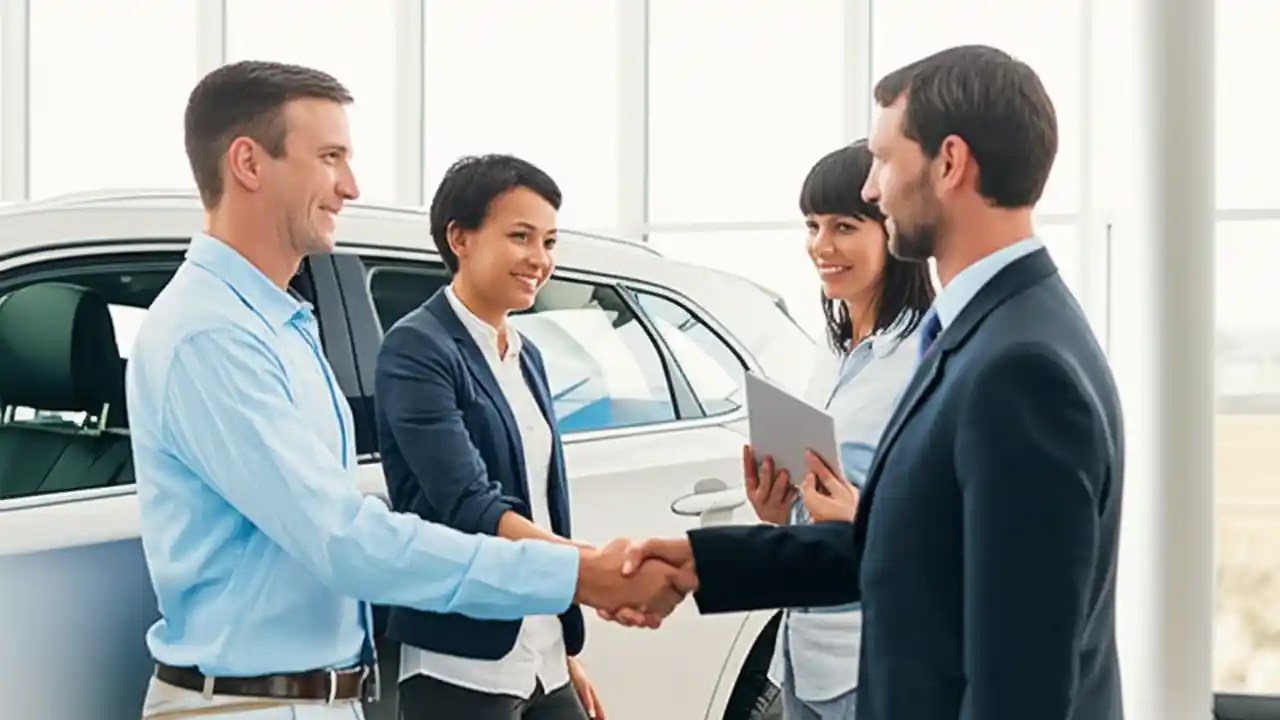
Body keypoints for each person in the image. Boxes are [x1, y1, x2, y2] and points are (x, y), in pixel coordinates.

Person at [126, 60, 686, 719]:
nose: (351, 186)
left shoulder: (283, 326)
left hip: (316, 698)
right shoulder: (212, 336)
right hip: (249, 707)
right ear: (249, 163)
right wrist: (578, 574)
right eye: (330, 157)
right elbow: (343, 539)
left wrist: (567, 607)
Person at [616, 45, 1125, 720]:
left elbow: (1021, 674)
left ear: (950, 162)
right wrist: (700, 562)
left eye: (885, 159)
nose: (871, 189)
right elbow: (915, 548)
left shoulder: (1020, 367)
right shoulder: (987, 331)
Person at [375, 154, 603, 719]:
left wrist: (561, 644)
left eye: (549, 242)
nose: (539, 259)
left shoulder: (528, 356)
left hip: (542, 647)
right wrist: (592, 568)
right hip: (462, 654)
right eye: (520, 236)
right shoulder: (417, 347)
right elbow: (467, 501)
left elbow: (543, 502)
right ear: (460, 238)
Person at [743, 140, 933, 720]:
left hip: (874, 662)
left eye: (844, 227)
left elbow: (955, 519)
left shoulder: (928, 358)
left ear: (892, 230)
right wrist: (780, 511)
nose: (821, 246)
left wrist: (862, 517)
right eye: (812, 225)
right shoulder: (833, 352)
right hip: (802, 654)